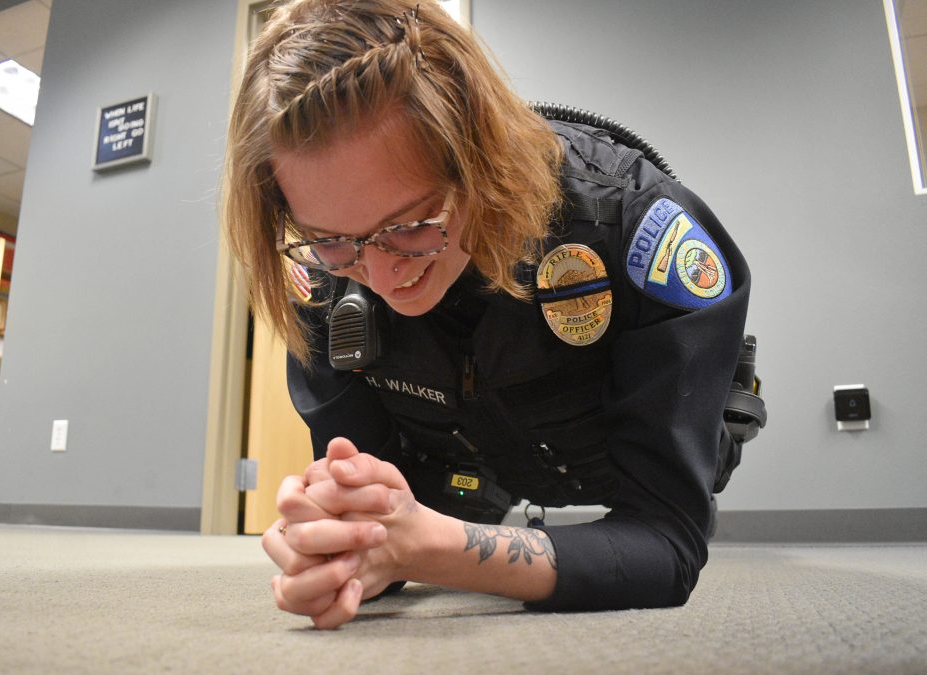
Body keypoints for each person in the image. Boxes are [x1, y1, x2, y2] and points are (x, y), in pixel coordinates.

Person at [223, 0, 751, 630]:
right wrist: (343, 547)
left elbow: (666, 543)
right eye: (334, 238)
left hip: (617, 446)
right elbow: (372, 517)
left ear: (480, 163)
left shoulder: (640, 228)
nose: (386, 276)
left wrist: (437, 551)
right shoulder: (320, 276)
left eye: (414, 226)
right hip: (466, 466)